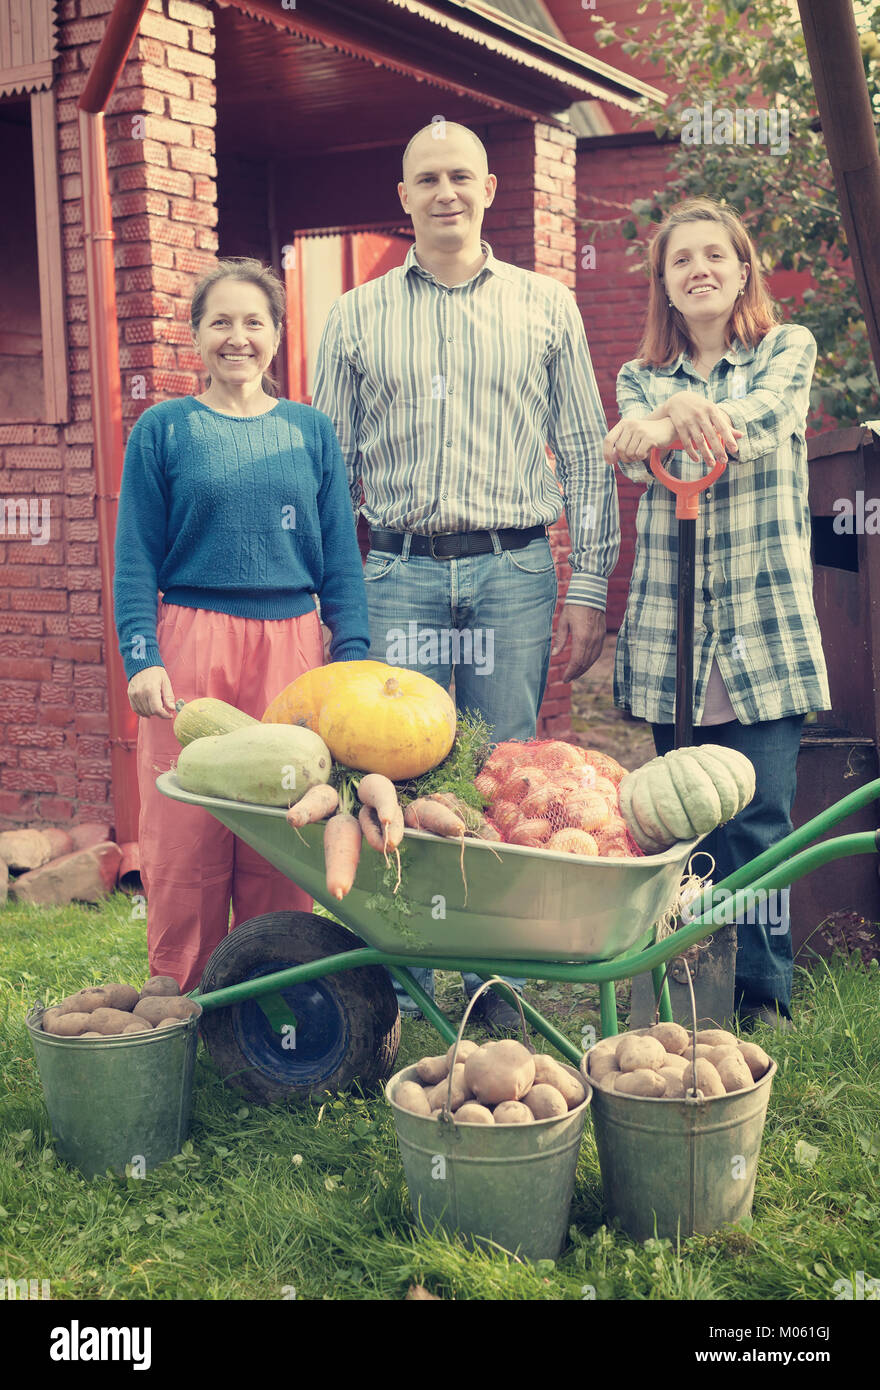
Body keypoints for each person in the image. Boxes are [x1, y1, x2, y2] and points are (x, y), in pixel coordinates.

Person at [312, 122, 619, 1031]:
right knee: (391, 783)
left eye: (460, 177)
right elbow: (326, 469)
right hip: (398, 570)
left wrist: (589, 584)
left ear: (489, 188)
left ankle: (495, 998)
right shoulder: (356, 316)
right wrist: (337, 590)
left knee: (499, 781)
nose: (444, 192)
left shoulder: (545, 305)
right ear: (402, 197)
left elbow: (584, 453)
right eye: (425, 179)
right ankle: (397, 991)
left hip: (513, 570)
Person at [604, 198, 830, 1030]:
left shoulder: (787, 348)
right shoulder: (639, 377)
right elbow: (629, 457)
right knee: (681, 826)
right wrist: (663, 416)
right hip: (675, 641)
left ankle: (764, 993)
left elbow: (761, 423)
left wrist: (681, 419)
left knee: (762, 819)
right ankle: (688, 986)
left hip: (763, 632)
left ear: (741, 271)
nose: (698, 269)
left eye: (714, 256)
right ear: (664, 285)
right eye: (680, 260)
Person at [114, 257, 370, 994]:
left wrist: (348, 665)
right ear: (195, 337)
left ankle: (278, 999)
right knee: (186, 834)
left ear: (277, 336)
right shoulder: (164, 430)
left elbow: (342, 566)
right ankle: (185, 1001)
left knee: (284, 828)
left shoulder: (309, 431)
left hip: (293, 644)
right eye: (219, 322)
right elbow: (134, 558)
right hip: (190, 644)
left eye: (253, 322)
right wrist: (143, 657)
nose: (237, 337)